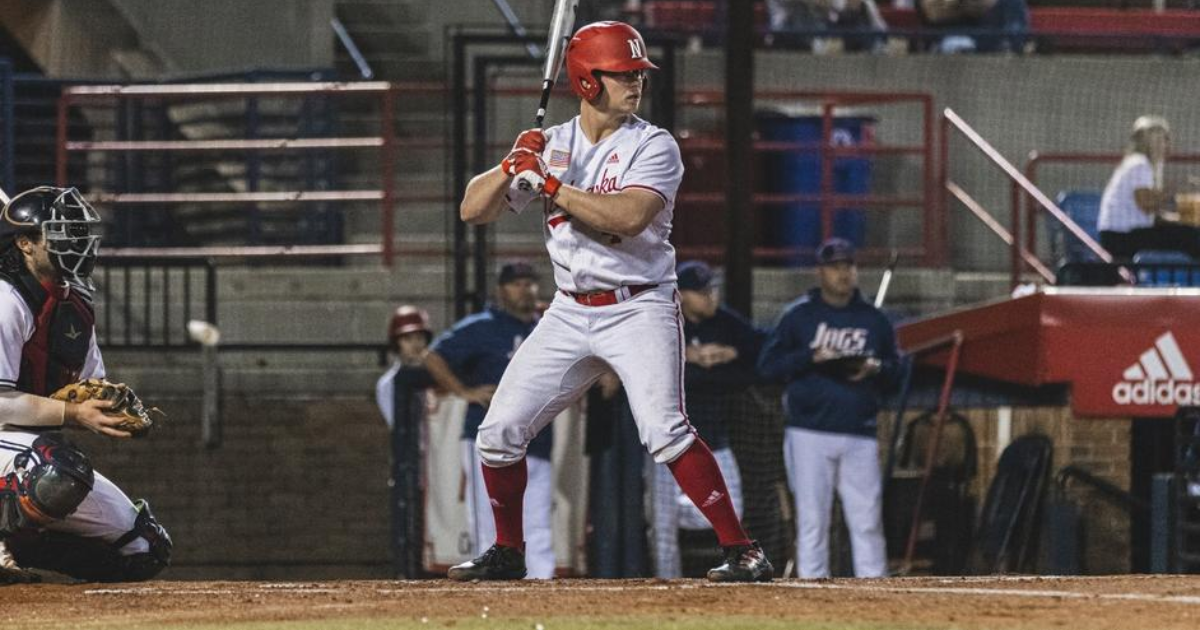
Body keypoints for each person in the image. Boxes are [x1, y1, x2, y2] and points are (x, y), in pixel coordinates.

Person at [451, 20, 772, 583]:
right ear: (586, 80)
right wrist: (510, 166)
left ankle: (742, 549)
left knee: (665, 430)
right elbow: (472, 211)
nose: (635, 83)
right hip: (570, 310)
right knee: (498, 433)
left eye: (637, 73)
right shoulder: (554, 146)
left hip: (638, 306)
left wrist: (548, 186)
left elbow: (626, 219)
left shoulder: (654, 144)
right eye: (622, 74)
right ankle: (507, 550)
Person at [0, 186, 172, 583]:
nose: (75, 241)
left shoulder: (75, 303)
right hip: (13, 443)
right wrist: (72, 413)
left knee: (144, 546)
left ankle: (18, 547)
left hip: (24, 451)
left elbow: (90, 385)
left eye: (77, 231)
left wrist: (106, 409)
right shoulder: (7, 299)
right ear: (25, 243)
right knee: (59, 470)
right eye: (60, 232)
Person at [758, 237, 898, 578]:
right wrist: (810, 357)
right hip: (809, 431)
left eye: (848, 266)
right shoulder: (799, 316)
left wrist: (875, 368)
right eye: (835, 267)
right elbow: (767, 367)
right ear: (820, 272)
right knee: (812, 521)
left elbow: (897, 369)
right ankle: (811, 595)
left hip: (859, 430)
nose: (843, 274)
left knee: (866, 522)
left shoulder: (873, 319)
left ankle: (874, 594)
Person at [423, 262, 558, 579]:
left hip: (537, 439)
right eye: (517, 283)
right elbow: (433, 355)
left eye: (530, 282)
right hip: (485, 439)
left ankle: (546, 594)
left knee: (537, 523)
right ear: (501, 290)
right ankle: (494, 597)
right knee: (489, 524)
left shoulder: (547, 327)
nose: (525, 289)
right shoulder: (483, 325)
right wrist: (464, 391)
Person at [649, 261, 766, 578]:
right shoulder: (665, 322)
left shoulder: (725, 323)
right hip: (668, 443)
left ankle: (737, 565)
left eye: (712, 290)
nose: (709, 298)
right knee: (662, 528)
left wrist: (731, 354)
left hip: (717, 438)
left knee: (732, 514)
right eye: (700, 293)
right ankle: (666, 582)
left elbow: (763, 348)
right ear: (681, 295)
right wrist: (686, 354)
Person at [1098, 115, 1200, 261]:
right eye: (1160, 140)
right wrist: (1174, 189)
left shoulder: (1144, 165)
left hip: (1125, 235)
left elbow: (1152, 216)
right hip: (1120, 238)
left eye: (1165, 139)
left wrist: (1181, 219)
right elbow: (1146, 205)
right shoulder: (1139, 164)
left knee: (1190, 232)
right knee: (1191, 237)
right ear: (1147, 142)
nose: (1166, 144)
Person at [375, 305, 434, 430]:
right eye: (407, 339)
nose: (415, 344)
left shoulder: (439, 375)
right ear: (397, 342)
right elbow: (396, 423)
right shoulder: (387, 383)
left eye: (419, 338)